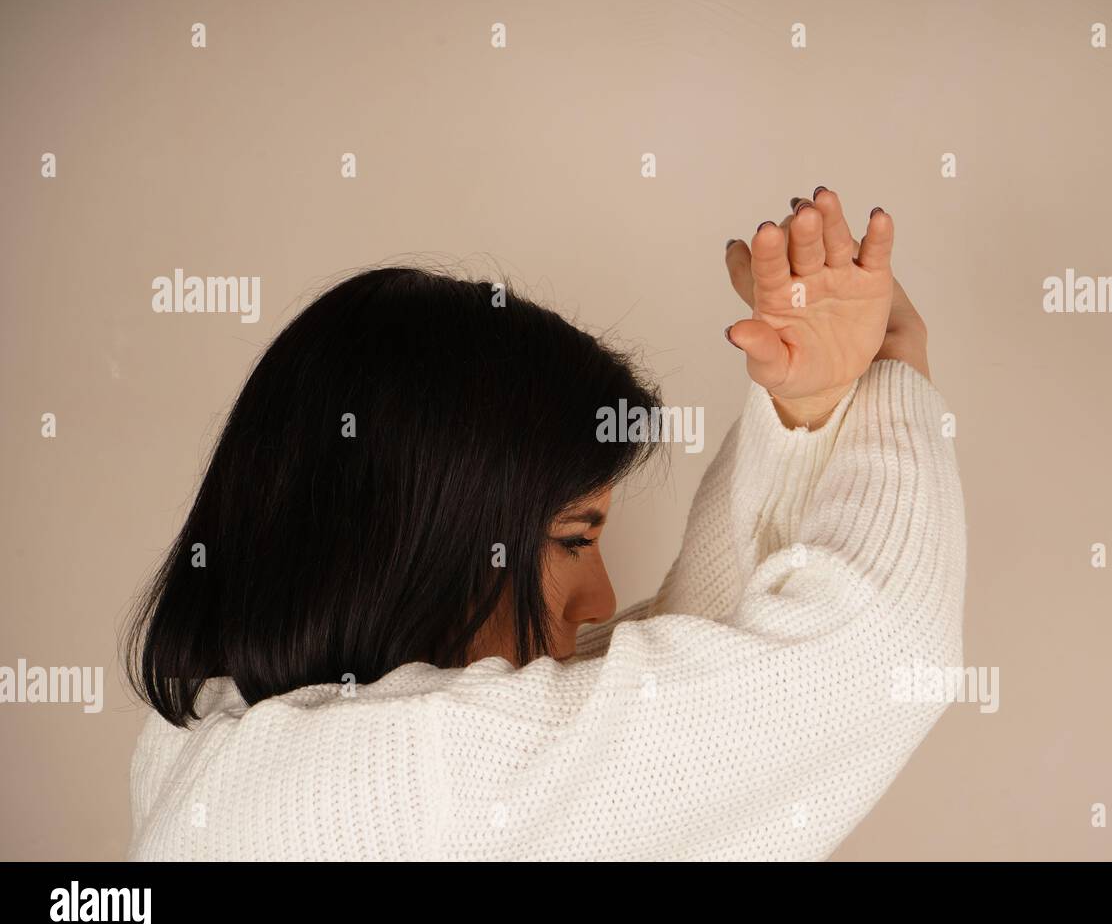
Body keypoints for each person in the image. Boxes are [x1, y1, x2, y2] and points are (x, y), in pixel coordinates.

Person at [124, 185, 966, 860]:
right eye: (573, 540)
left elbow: (688, 645)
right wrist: (890, 369)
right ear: (420, 538)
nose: (600, 599)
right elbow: (882, 659)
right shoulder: (405, 779)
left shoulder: (217, 736)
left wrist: (810, 410)